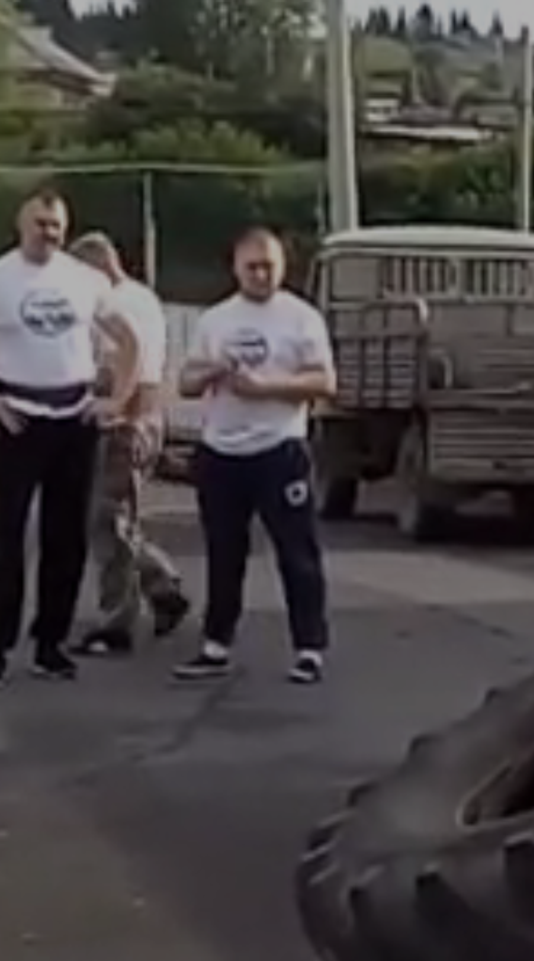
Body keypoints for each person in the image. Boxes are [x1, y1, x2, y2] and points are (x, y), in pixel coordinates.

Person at [0, 189, 139, 688]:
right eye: (41, 223)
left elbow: (129, 339)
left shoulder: (84, 279)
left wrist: (116, 400)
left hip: (74, 421)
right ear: (21, 225)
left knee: (66, 539)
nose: (49, 233)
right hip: (17, 422)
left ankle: (50, 644)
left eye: (57, 225)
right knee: (7, 538)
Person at [173, 227, 334, 683]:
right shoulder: (216, 320)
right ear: (236, 268)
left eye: (269, 267)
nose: (261, 275)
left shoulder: (301, 317)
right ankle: (215, 644)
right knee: (224, 552)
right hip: (222, 451)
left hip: (278, 449)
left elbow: (325, 382)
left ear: (282, 267)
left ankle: (309, 648)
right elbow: (185, 382)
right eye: (252, 267)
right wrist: (213, 370)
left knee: (296, 552)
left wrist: (267, 387)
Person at [64, 231, 191, 655]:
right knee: (118, 520)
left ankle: (119, 618)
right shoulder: (142, 297)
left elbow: (124, 361)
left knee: (108, 523)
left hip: (125, 422)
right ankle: (160, 589)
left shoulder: (112, 303)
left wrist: (110, 402)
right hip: (145, 418)